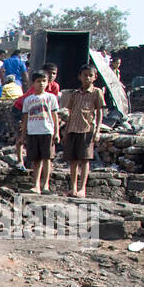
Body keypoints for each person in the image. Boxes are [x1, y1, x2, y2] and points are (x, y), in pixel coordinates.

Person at [62, 64, 106, 197]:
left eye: (90, 75)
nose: (87, 78)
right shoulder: (75, 94)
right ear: (80, 77)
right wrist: (66, 131)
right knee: (73, 160)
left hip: (87, 129)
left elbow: (99, 113)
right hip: (73, 129)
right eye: (85, 75)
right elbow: (70, 112)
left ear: (95, 77)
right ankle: (73, 187)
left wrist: (97, 130)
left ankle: (83, 188)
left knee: (85, 159)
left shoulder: (96, 92)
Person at [21, 71, 60, 194]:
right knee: (36, 159)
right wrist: (23, 134)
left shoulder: (51, 98)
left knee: (47, 158)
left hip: (47, 131)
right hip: (33, 131)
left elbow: (55, 116)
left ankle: (46, 185)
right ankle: (36, 184)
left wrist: (56, 132)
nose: (41, 84)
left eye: (44, 81)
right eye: (38, 81)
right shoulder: (28, 100)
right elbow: (25, 118)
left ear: (48, 83)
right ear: (33, 83)